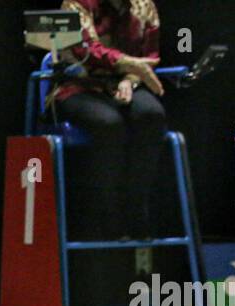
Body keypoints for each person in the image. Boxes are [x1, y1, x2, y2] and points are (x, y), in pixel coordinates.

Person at [49, 0, 166, 240]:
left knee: (151, 115)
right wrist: (130, 64)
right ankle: (107, 217)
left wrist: (131, 78)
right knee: (109, 124)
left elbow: (149, 57)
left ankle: (136, 209)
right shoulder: (76, 4)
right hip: (78, 85)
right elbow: (85, 50)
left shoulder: (145, 6)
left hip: (125, 83)